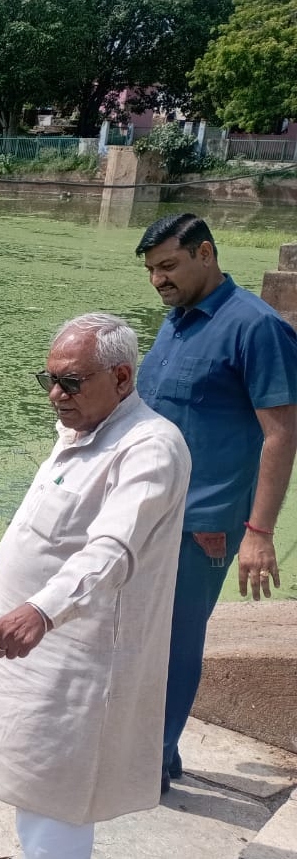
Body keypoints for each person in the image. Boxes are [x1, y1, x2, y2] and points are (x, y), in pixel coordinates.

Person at [0, 314, 191, 859]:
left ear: (122, 376)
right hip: (36, 644)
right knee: (31, 777)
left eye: (71, 382)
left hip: (83, 651)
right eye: (48, 381)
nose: (57, 395)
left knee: (58, 791)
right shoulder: (86, 426)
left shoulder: (149, 447)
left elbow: (112, 550)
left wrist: (44, 611)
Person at [134, 213, 297, 793]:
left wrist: (259, 531)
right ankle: (150, 752)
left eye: (169, 265)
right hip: (146, 513)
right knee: (138, 637)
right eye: (152, 270)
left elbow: (281, 433)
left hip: (202, 521)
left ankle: (151, 764)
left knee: (174, 642)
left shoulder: (255, 327)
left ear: (206, 253)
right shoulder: (176, 322)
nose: (159, 279)